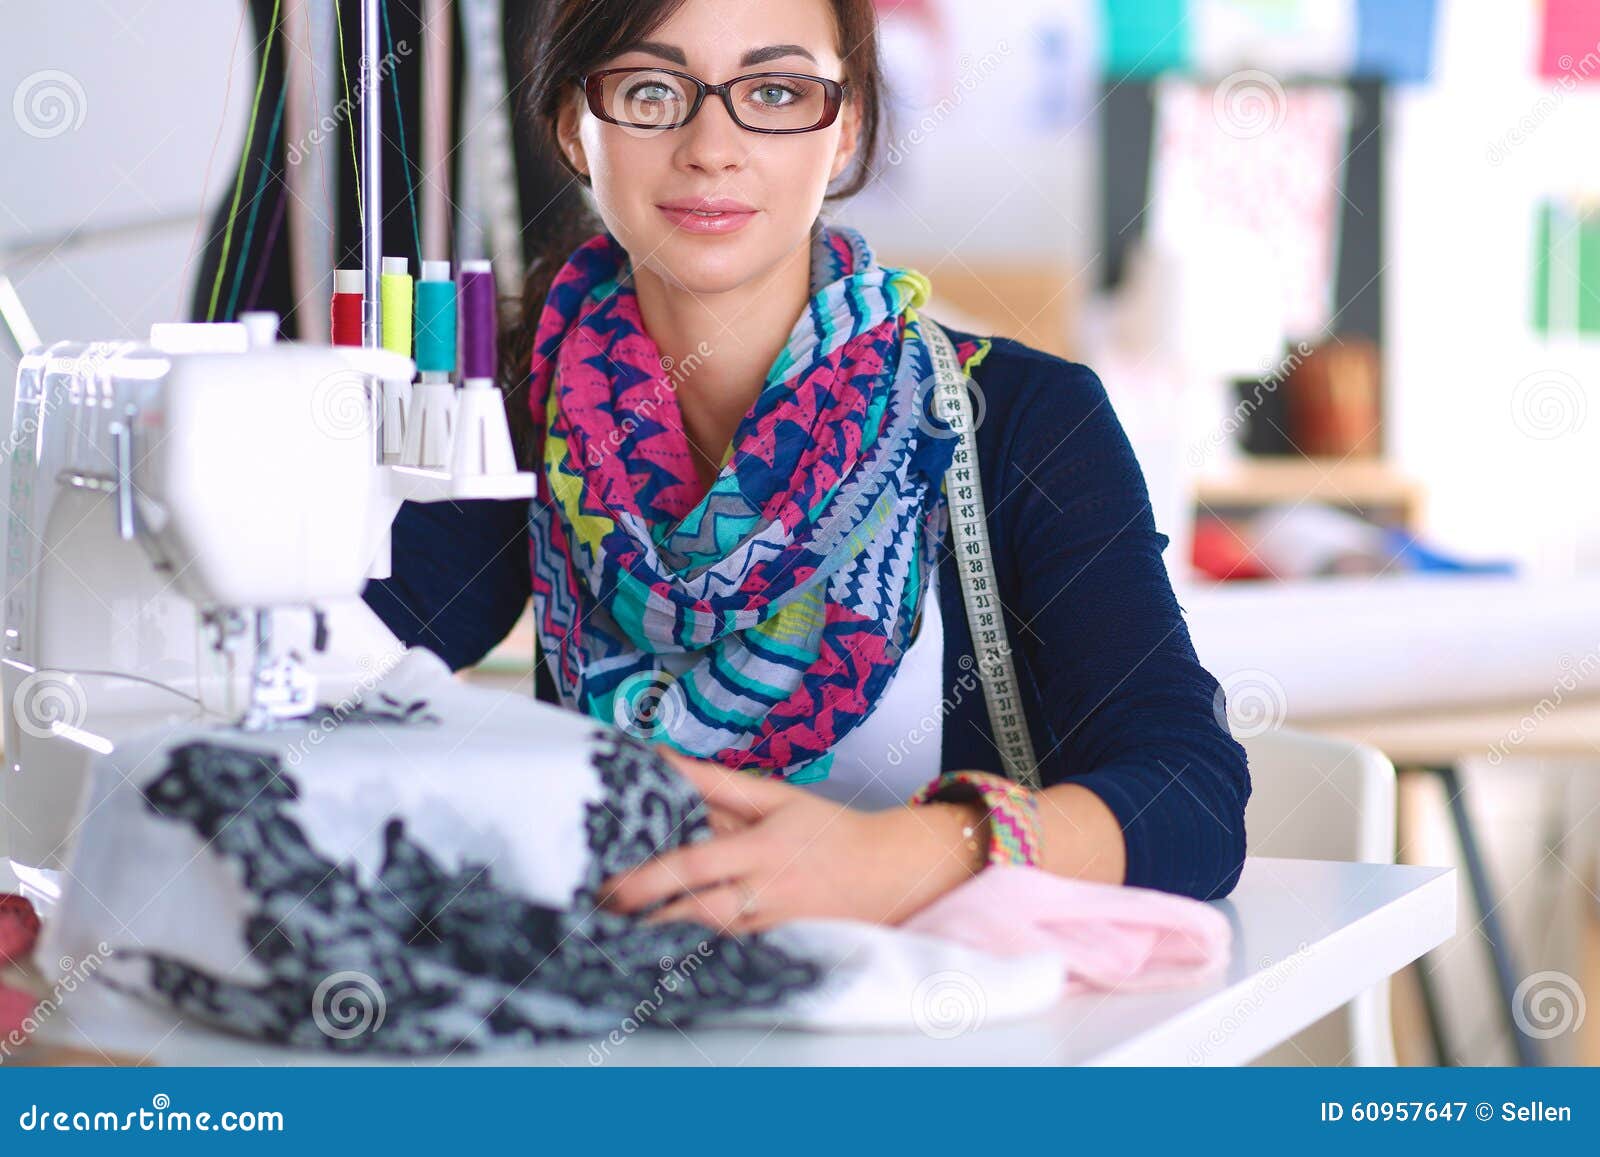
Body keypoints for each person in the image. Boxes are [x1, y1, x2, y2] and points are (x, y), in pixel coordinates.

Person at [364, 0, 1251, 936]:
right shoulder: (526, 403)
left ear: (846, 130)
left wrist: (908, 859)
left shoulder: (1023, 421)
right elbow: (339, 675)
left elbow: (1190, 797)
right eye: (652, 89)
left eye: (778, 91)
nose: (712, 145)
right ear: (573, 130)